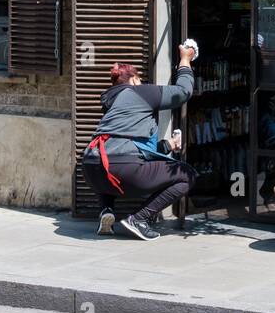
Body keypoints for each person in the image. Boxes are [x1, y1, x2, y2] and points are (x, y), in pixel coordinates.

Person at [81, 44, 197, 241]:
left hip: (91, 169)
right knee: (187, 175)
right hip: (122, 168)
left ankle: (106, 210)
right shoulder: (140, 92)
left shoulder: (110, 102)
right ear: (134, 80)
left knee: (108, 163)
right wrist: (185, 60)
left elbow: (134, 147)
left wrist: (168, 145)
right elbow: (183, 91)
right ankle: (139, 219)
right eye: (140, 79)